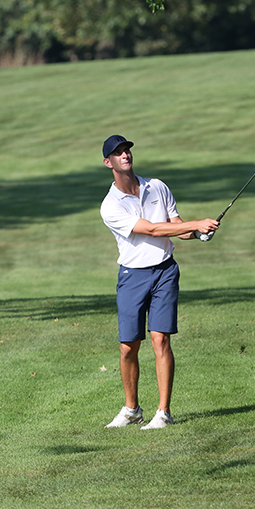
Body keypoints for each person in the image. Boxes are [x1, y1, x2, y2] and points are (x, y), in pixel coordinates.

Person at [99, 135, 219, 429]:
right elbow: (151, 229)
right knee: (128, 345)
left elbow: (174, 225)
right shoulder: (110, 205)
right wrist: (196, 223)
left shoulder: (157, 187)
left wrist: (197, 233)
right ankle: (131, 409)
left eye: (126, 149)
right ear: (108, 163)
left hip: (165, 271)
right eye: (117, 152)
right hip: (133, 276)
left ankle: (163, 412)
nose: (125, 154)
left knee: (160, 339)